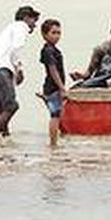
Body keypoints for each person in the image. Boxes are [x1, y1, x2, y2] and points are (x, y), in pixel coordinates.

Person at [0, 5, 39, 138]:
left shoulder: (9, 29)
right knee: (11, 106)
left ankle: (4, 138)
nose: (34, 25)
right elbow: (16, 49)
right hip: (1, 70)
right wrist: (19, 69)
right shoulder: (21, 27)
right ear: (26, 18)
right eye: (33, 20)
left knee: (1, 108)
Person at [38, 19, 68, 147]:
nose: (57, 36)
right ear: (44, 35)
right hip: (53, 87)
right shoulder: (48, 51)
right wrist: (61, 88)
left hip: (52, 87)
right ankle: (53, 144)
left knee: (58, 114)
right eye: (53, 33)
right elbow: (52, 69)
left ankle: (56, 140)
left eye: (59, 33)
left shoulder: (53, 50)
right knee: (55, 115)